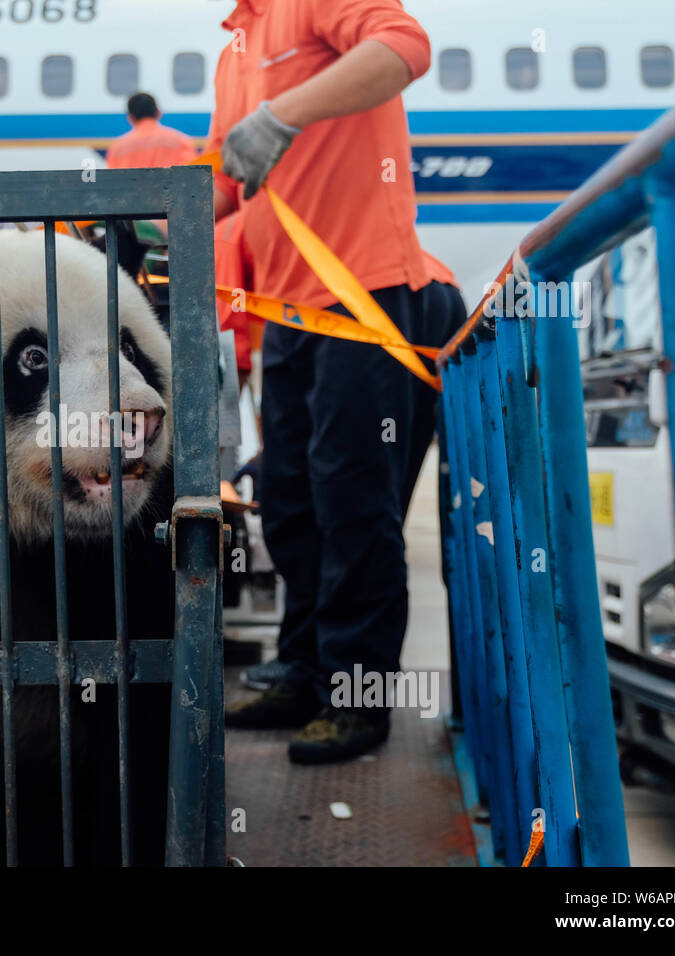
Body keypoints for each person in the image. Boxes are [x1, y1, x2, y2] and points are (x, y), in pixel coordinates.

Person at [213, 0, 467, 764]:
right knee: (291, 503)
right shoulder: (234, 47)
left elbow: (405, 45)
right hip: (289, 312)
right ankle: (304, 670)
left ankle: (356, 698)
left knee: (352, 502)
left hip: (364, 293)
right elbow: (229, 179)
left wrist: (281, 115)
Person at [105, 92, 199, 170]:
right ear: (158, 113)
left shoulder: (118, 148)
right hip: (170, 192)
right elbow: (192, 175)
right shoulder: (181, 141)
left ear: (131, 118)